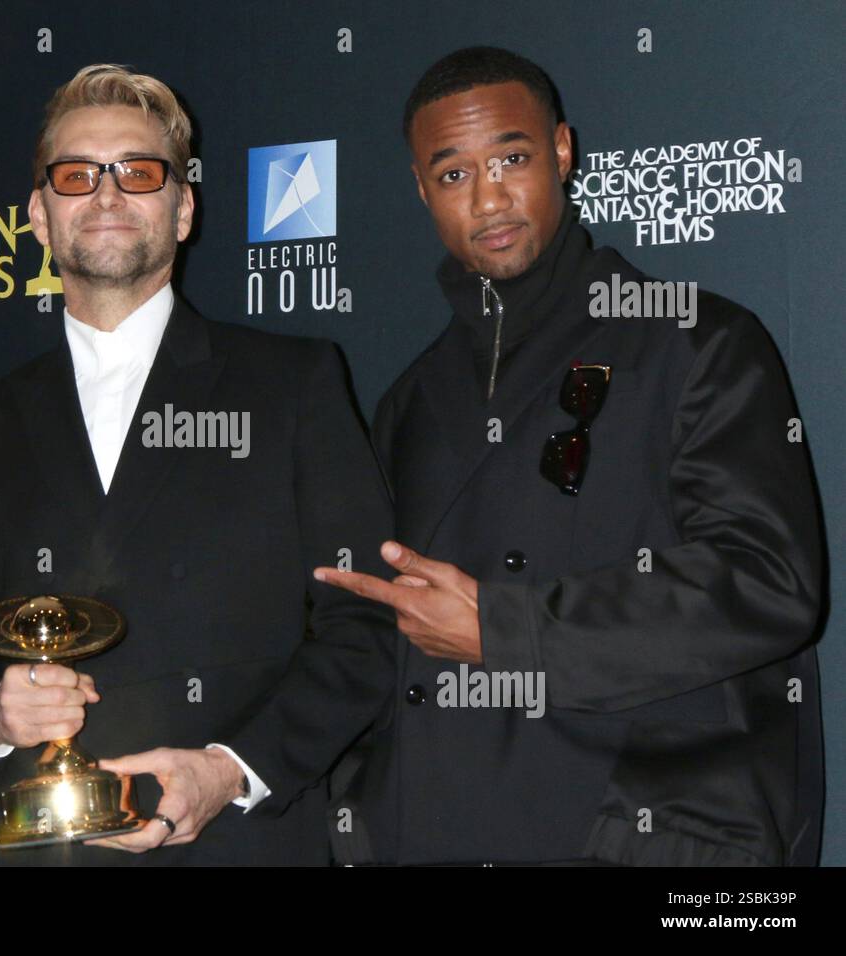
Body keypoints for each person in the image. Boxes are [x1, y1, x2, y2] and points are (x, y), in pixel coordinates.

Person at [315, 47, 825, 866]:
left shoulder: (693, 338)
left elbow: (767, 585)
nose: (487, 198)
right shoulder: (407, 402)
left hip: (639, 831)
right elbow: (374, 639)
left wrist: (507, 630)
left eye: (511, 159)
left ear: (561, 151)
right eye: (452, 176)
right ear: (420, 189)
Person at [0, 64, 396, 865]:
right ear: (37, 213)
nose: (106, 194)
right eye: (75, 175)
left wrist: (231, 771)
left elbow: (369, 618)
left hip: (242, 848)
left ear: (185, 207)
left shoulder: (292, 382)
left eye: (137, 172)